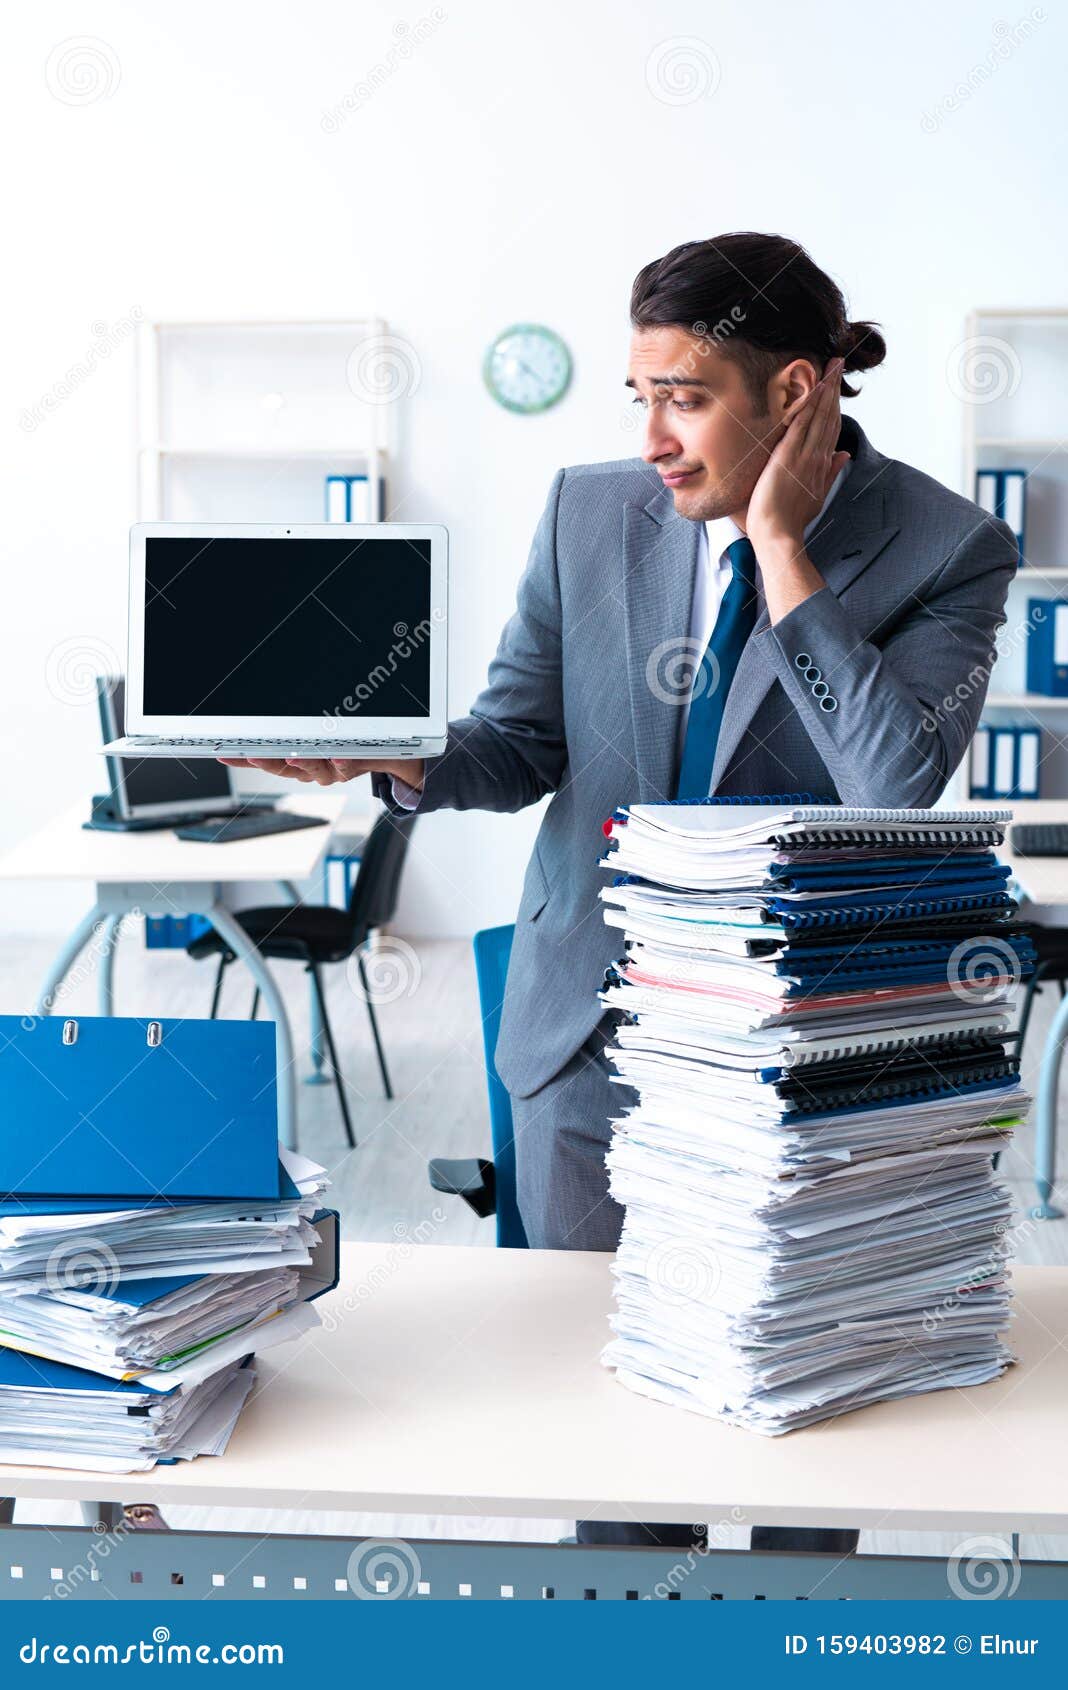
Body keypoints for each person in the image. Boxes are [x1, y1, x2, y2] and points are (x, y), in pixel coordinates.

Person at [224, 232, 1017, 1556]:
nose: (652, 433)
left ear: (798, 394)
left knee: (793, 1413)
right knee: (607, 1424)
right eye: (637, 395)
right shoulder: (589, 511)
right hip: (590, 1032)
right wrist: (399, 757)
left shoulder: (947, 546)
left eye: (686, 395)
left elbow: (899, 782)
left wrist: (778, 548)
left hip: (793, 1048)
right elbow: (517, 742)